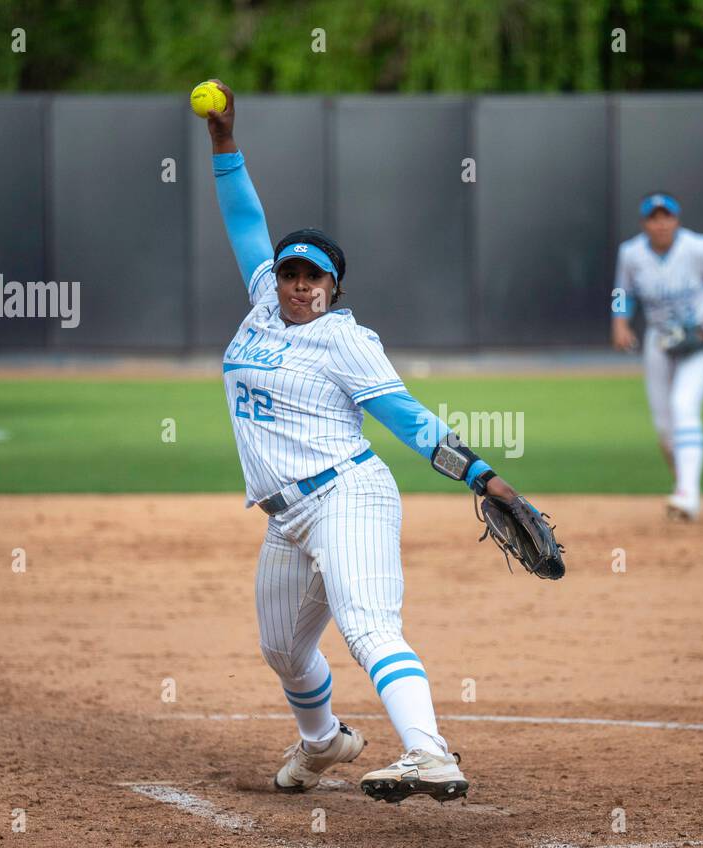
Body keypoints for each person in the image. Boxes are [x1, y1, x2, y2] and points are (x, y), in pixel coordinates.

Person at [203, 80, 528, 804]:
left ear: (334, 287)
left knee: (368, 627)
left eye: (312, 275)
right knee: (282, 650)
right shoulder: (262, 302)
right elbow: (243, 217)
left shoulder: (346, 342)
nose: (295, 283)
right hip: (285, 517)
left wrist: (482, 476)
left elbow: (410, 420)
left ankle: (429, 753)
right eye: (289, 271)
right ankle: (324, 743)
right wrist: (223, 140)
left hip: (347, 494)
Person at [611, 192, 703, 521]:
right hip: (661, 340)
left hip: (701, 339)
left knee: (683, 404)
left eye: (666, 216)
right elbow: (622, 293)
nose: (661, 223)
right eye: (654, 217)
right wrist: (619, 323)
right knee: (663, 426)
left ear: (676, 219)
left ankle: (687, 492)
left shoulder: (698, 248)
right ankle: (684, 486)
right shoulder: (631, 254)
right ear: (645, 223)